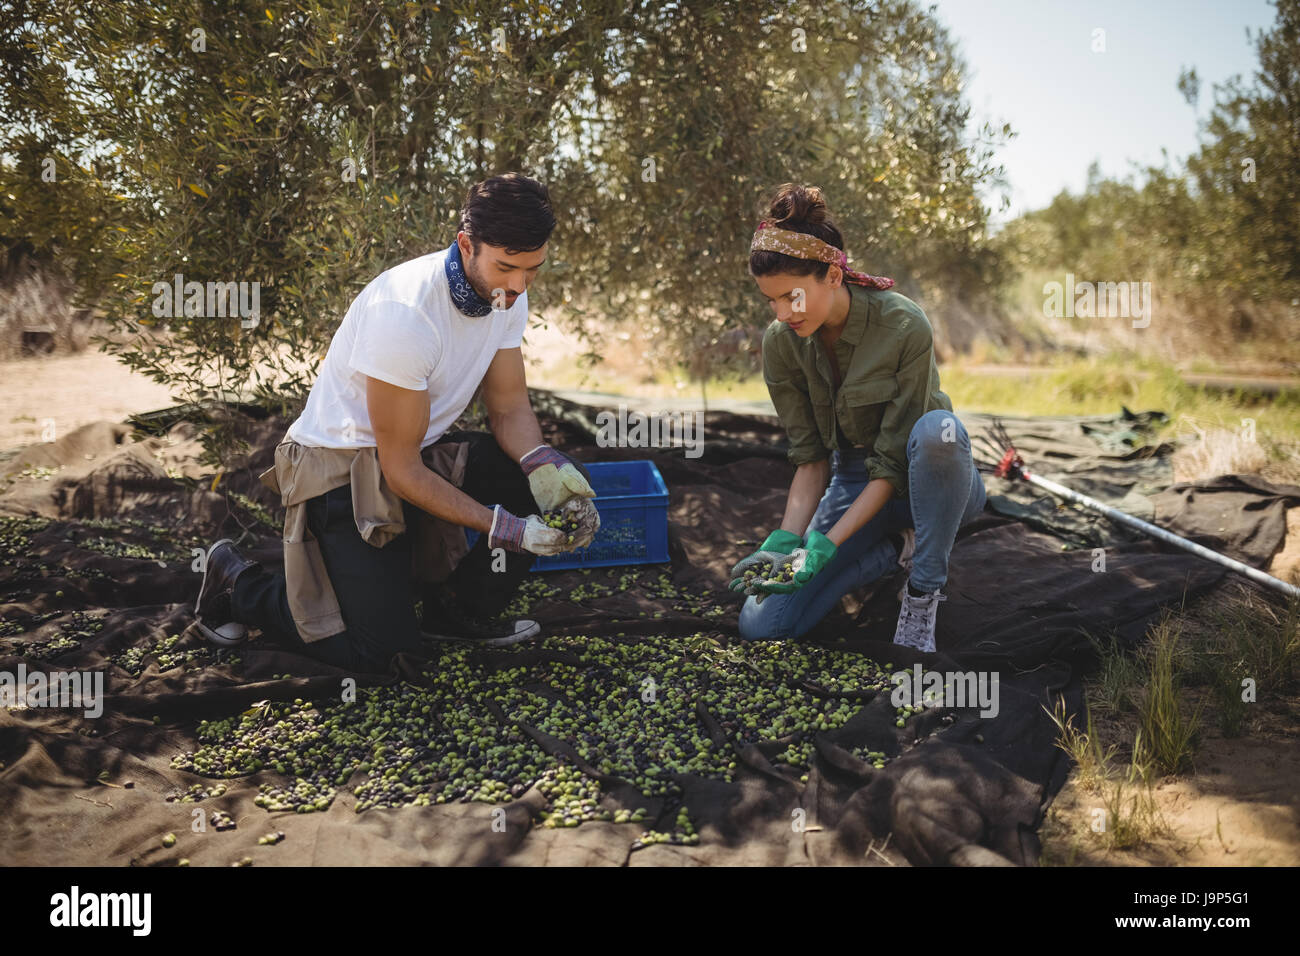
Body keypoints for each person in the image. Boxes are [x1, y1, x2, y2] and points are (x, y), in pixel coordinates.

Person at [193, 173, 600, 672]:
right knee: (381, 657)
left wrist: (546, 467)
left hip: (411, 453)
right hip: (339, 469)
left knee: (527, 475)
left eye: (532, 270)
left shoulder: (508, 296)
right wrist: (505, 529)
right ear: (466, 245)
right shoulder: (405, 315)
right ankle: (238, 584)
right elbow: (401, 472)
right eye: (507, 267)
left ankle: (456, 610)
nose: (518, 286)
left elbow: (510, 409)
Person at [728, 184, 986, 653]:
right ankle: (895, 550)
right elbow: (810, 462)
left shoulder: (905, 325)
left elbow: (891, 468)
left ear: (831, 275)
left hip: (930, 478)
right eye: (772, 301)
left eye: (792, 297)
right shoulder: (780, 343)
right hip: (853, 480)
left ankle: (924, 589)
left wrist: (824, 547)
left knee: (938, 433)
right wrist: (788, 543)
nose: (784, 314)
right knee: (762, 624)